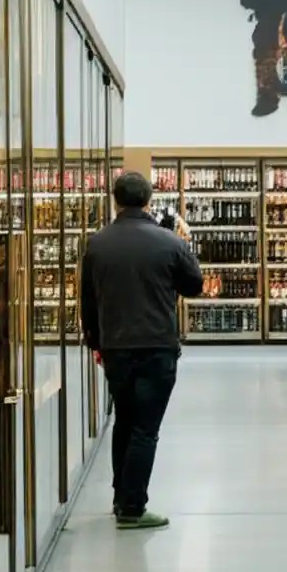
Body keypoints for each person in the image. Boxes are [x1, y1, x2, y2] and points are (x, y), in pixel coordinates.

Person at [80, 171, 203, 530]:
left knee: (125, 420)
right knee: (145, 429)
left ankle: (120, 497)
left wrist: (96, 342)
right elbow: (193, 285)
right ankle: (133, 508)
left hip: (115, 347)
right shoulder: (168, 242)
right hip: (156, 347)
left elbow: (88, 299)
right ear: (148, 200)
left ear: (115, 199)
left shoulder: (97, 243)